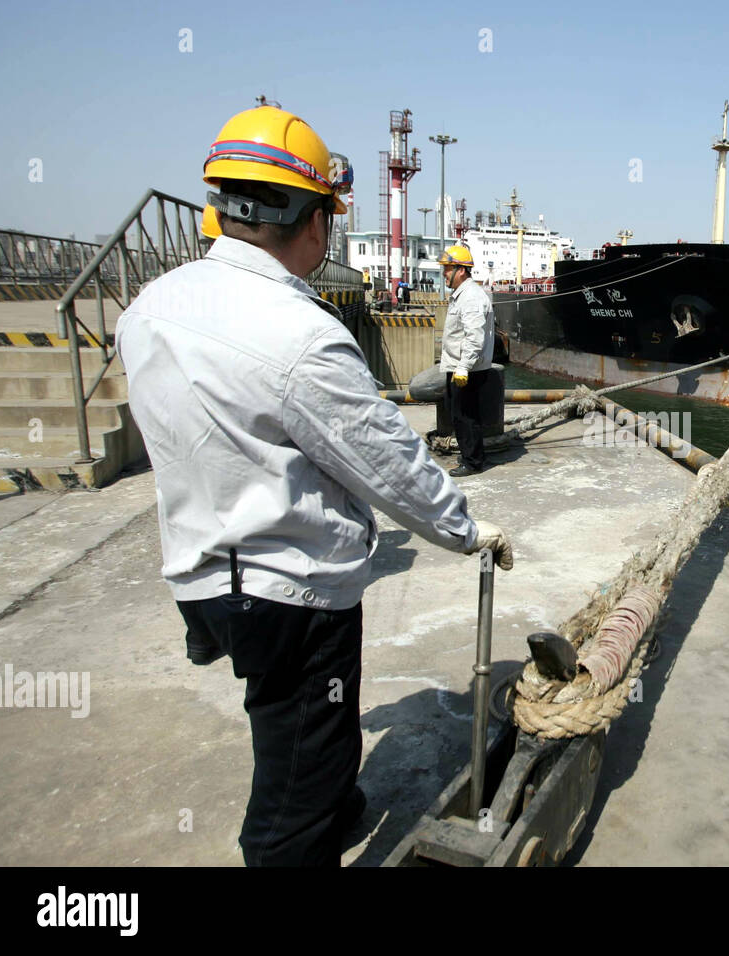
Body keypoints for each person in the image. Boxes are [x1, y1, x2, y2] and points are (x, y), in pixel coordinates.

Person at [116, 105, 513, 867]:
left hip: (202, 574)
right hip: (288, 593)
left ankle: (335, 801)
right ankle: (305, 827)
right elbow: (388, 460)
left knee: (298, 732)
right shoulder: (299, 334)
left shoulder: (152, 307)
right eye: (328, 215)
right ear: (310, 220)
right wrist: (466, 530)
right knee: (292, 791)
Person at [437, 244, 495, 476]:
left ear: (461, 270)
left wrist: (462, 368)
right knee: (463, 414)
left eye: (447, 269)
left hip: (467, 369)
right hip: (463, 366)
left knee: (465, 415)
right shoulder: (463, 295)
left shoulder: (470, 298)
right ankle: (472, 455)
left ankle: (472, 462)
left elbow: (474, 337)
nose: (444, 274)